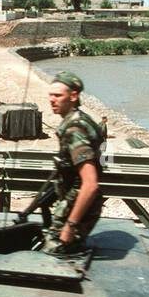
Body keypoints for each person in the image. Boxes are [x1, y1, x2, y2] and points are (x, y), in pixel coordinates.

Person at [42, 71, 105, 255]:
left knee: (54, 254)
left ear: (73, 96)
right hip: (74, 201)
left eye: (58, 95)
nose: (52, 100)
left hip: (78, 207)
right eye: (50, 95)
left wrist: (71, 225)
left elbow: (90, 184)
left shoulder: (75, 129)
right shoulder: (81, 120)